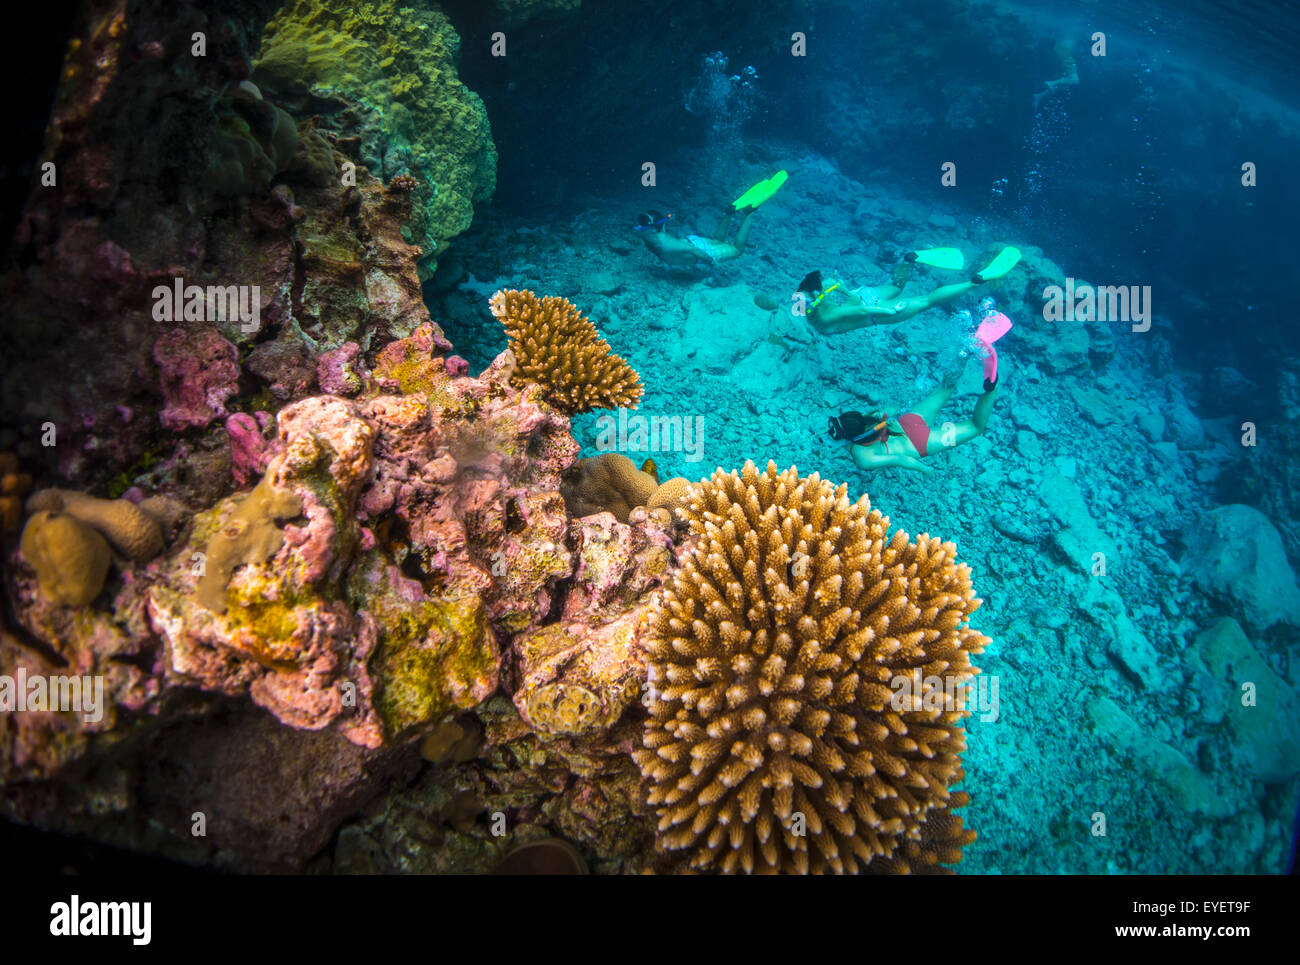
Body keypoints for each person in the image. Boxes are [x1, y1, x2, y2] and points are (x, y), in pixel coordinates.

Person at [827, 303, 1012, 474]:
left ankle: (992, 388)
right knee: (945, 388)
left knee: (975, 427)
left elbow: (901, 459)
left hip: (919, 443)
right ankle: (965, 351)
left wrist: (926, 470)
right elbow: (892, 410)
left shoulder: (862, 458)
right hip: (909, 421)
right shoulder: (866, 418)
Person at [801, 245, 1021, 335]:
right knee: (897, 286)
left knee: (927, 301)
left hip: (872, 310)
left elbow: (862, 312)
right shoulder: (817, 296)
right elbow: (836, 286)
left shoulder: (821, 317)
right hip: (861, 295)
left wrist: (890, 311)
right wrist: (848, 292)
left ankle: (974, 282)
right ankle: (908, 261)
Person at [637, 171, 787, 267]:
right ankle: (729, 212)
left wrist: (710, 262)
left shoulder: (650, 236)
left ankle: (750, 213)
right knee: (717, 241)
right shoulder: (653, 235)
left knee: (737, 250)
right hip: (692, 241)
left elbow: (691, 250)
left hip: (696, 248)